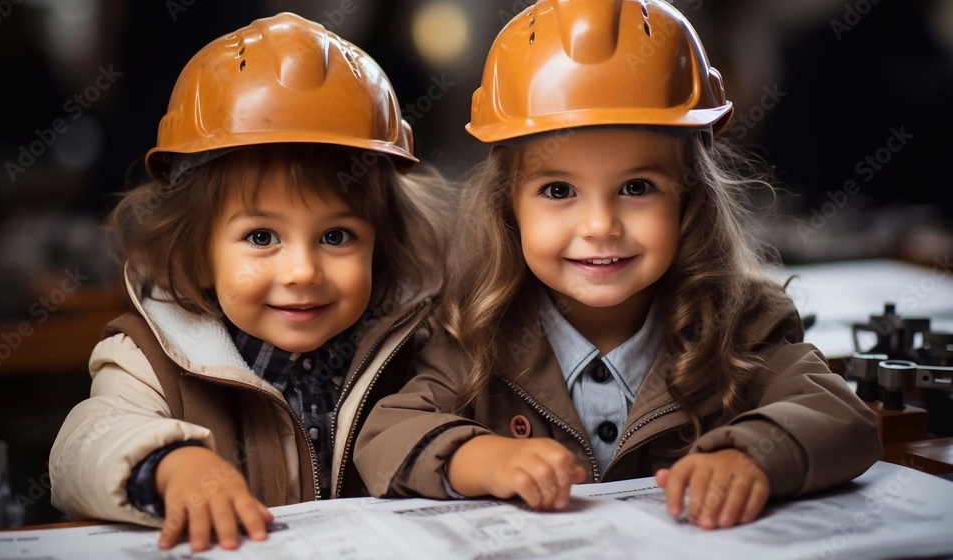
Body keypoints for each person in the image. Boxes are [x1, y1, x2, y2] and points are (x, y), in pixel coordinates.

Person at [354, 0, 881, 531]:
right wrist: (480, 459)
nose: (601, 225)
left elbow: (841, 417)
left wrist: (751, 455)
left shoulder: (741, 323)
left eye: (637, 188)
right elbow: (384, 435)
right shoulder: (476, 330)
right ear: (508, 206)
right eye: (558, 190)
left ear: (689, 198)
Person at [49, 13, 450, 552]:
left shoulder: (417, 343)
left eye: (336, 236)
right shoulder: (152, 357)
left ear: (383, 241)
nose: (302, 271)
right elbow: (80, 448)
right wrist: (170, 465)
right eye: (262, 237)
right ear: (198, 249)